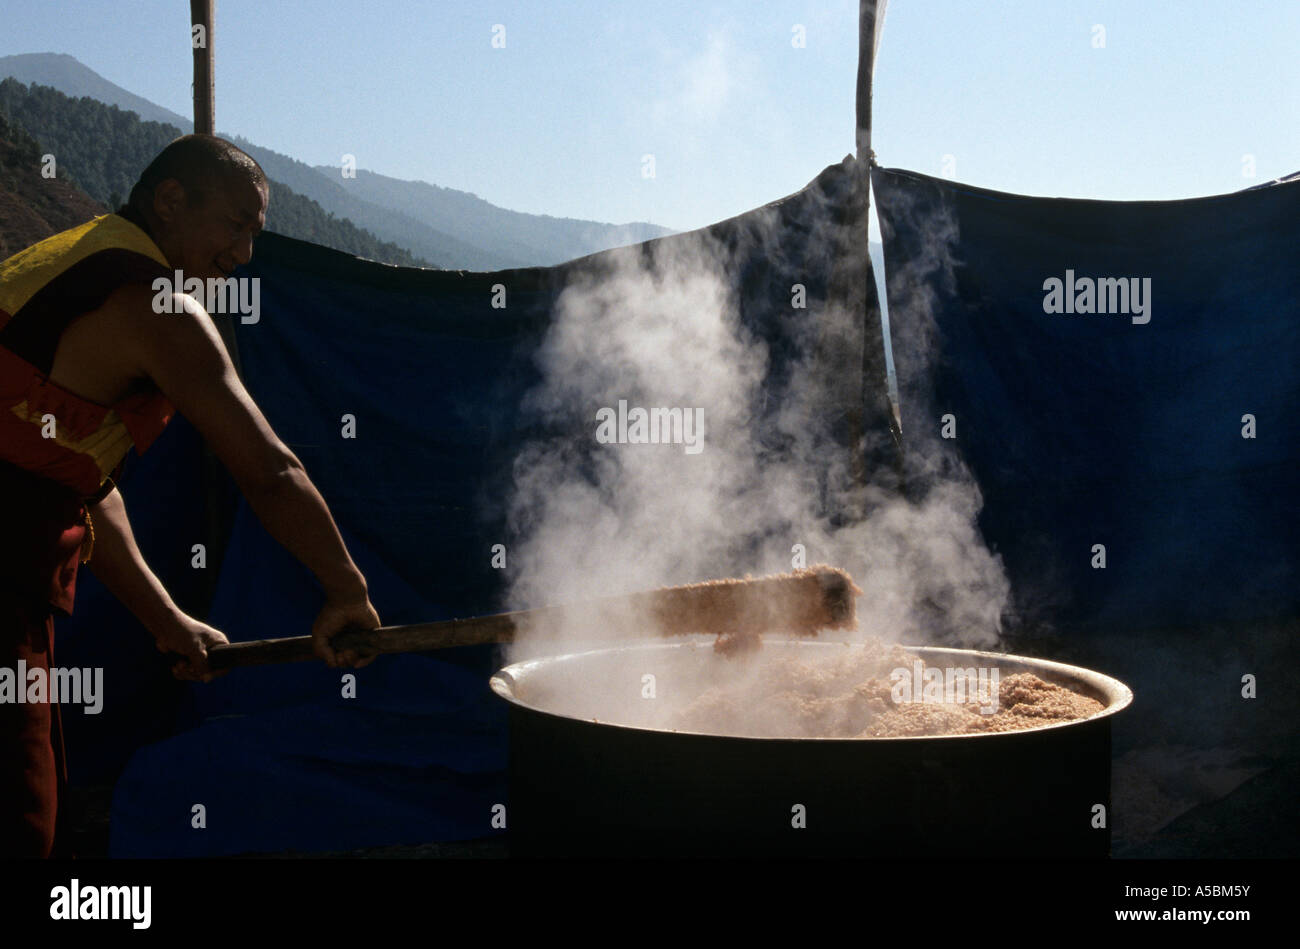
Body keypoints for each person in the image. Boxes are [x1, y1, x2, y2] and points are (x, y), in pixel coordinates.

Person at [0, 134, 380, 858]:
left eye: (255, 234)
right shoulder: (153, 300)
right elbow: (270, 471)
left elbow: (80, 478)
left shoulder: (64, 258)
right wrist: (345, 587)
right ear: (170, 202)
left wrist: (167, 618)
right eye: (235, 224)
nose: (243, 254)